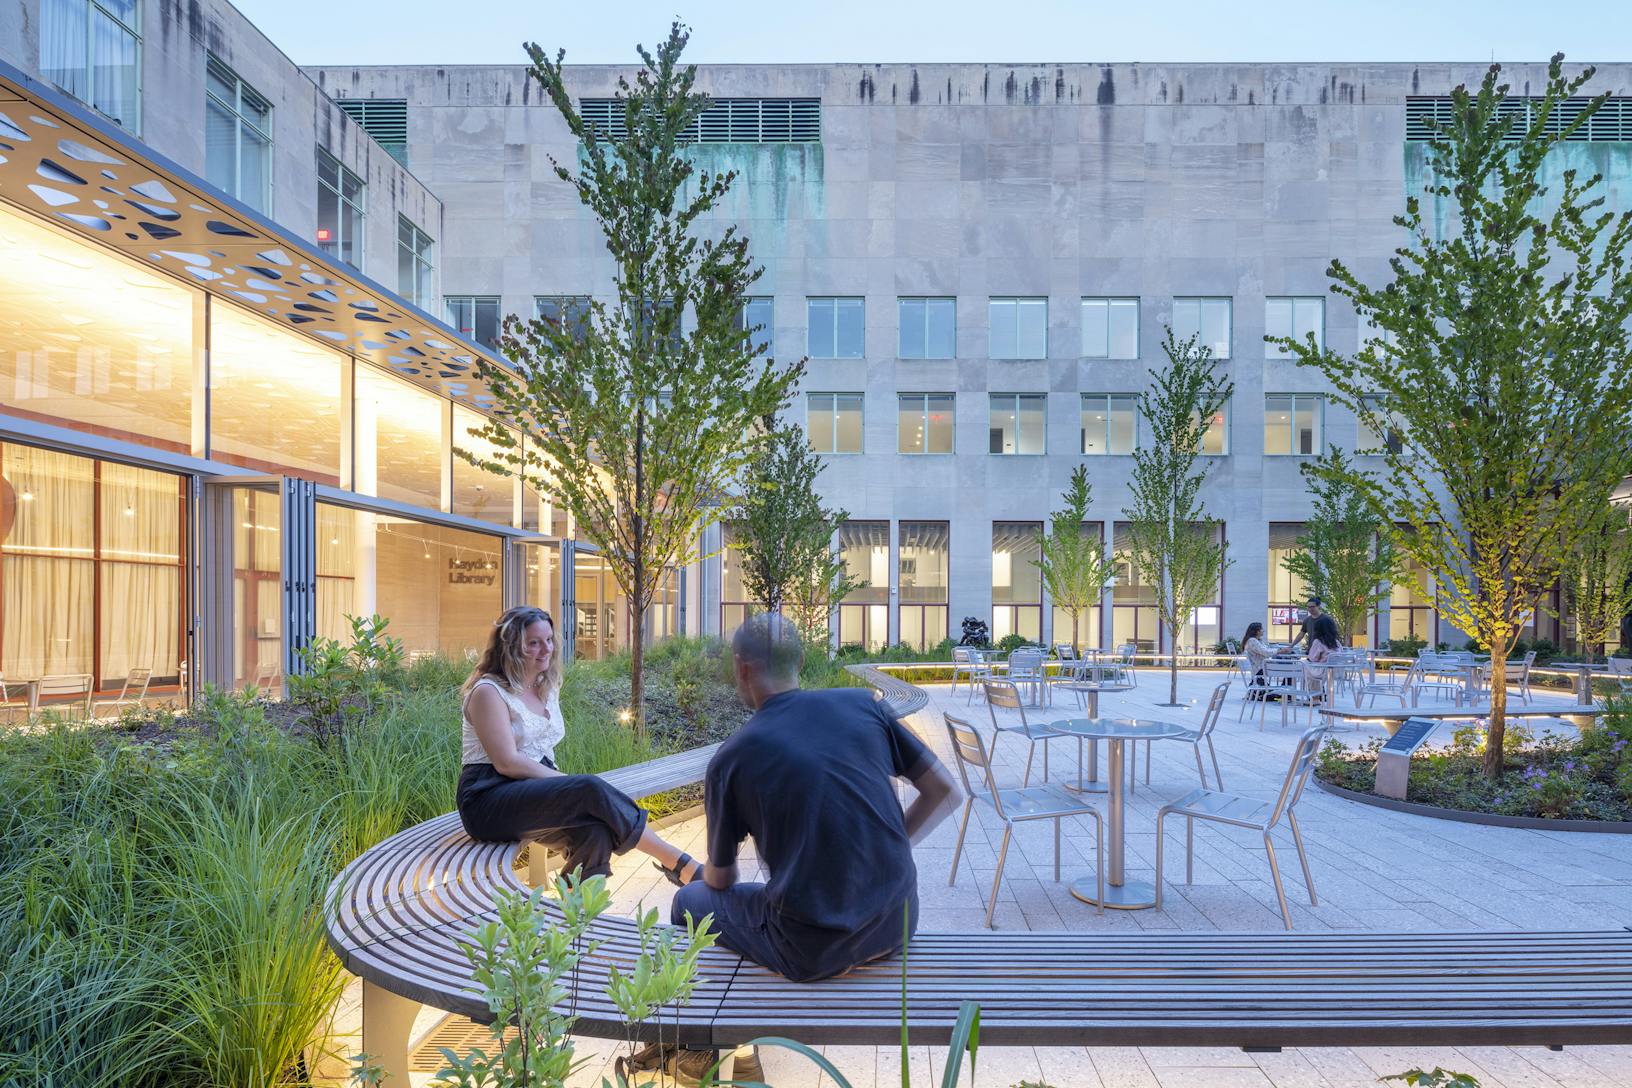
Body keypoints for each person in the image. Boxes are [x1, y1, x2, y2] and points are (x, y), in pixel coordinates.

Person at [662, 613, 959, 1081]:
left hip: (811, 949)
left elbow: (721, 882)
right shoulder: (863, 705)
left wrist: (689, 871)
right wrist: (881, 848)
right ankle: (727, 1047)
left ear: (741, 667)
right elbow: (945, 790)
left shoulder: (733, 757)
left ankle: (708, 1049)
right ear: (800, 659)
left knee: (687, 904)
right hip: (899, 921)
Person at [456, 605, 702, 887]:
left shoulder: (545, 685)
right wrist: (569, 784)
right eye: (533, 643)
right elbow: (507, 763)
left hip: (527, 793)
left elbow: (539, 752)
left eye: (548, 640)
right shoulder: (488, 692)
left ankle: (579, 917)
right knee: (588, 788)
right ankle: (681, 864)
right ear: (510, 647)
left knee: (594, 831)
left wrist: (565, 787)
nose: (545, 649)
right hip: (488, 798)